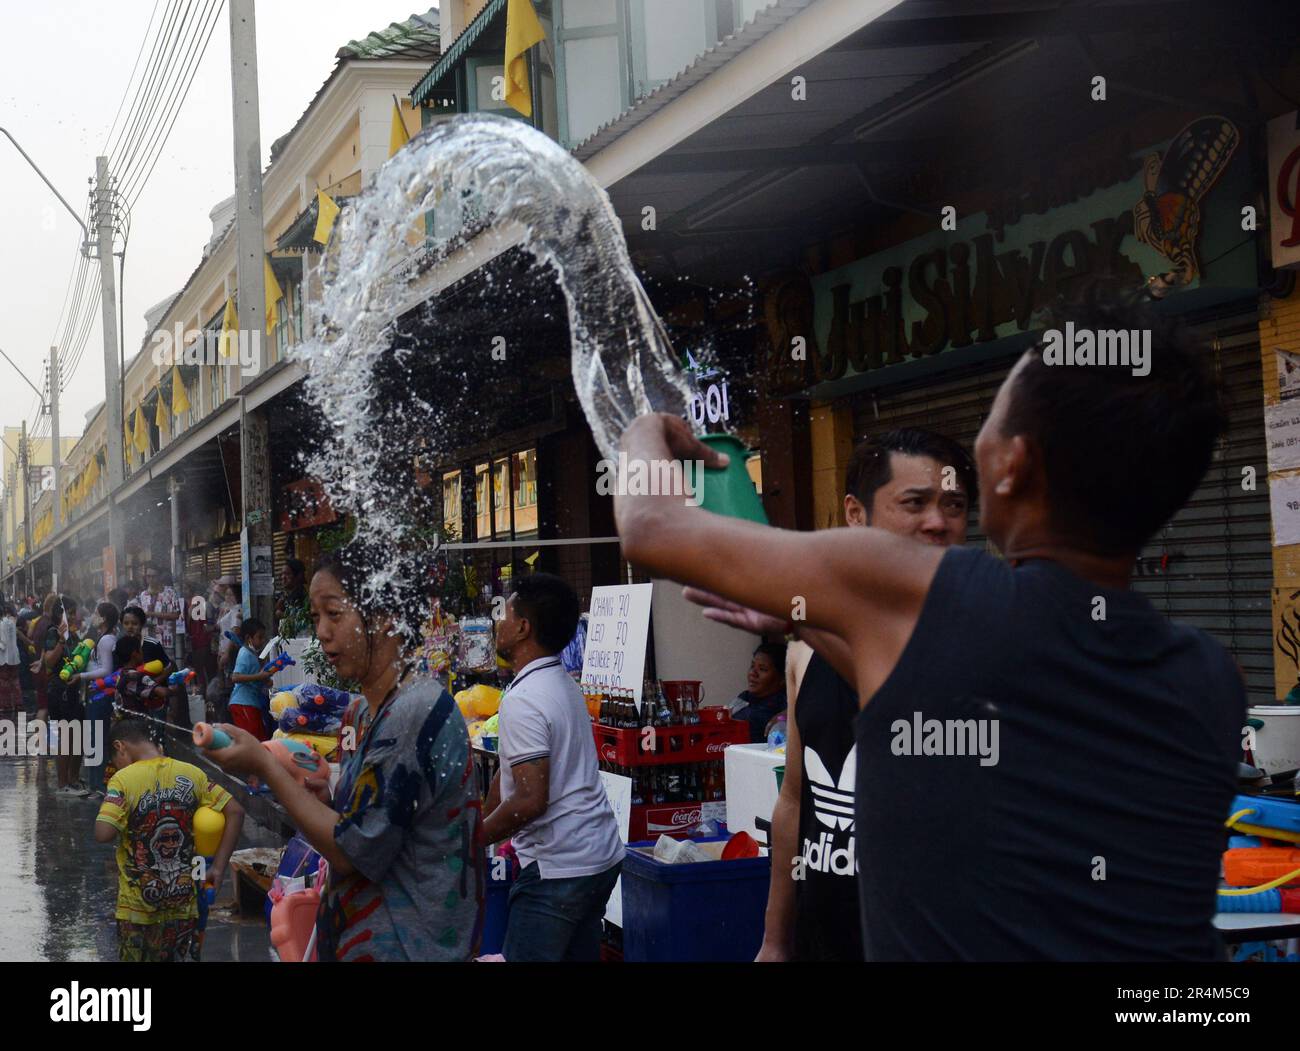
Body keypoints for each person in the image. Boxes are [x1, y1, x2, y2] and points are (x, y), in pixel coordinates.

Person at [615, 287, 1243, 961]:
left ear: (1014, 465)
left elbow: (651, 528)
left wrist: (646, 431)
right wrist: (814, 624)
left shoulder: (920, 591)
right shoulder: (1209, 677)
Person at [696, 427, 976, 961]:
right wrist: (775, 941)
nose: (938, 522)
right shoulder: (806, 651)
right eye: (914, 503)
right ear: (855, 514)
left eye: (955, 505)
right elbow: (795, 801)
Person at [205, 543, 484, 961]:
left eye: (334, 614)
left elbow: (352, 850)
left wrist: (265, 763)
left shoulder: (414, 711)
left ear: (384, 617)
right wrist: (328, 798)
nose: (321, 631)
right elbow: (379, 819)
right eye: (317, 616)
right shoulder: (364, 710)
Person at [482, 573, 624, 962]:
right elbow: (509, 770)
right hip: (598, 857)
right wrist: (481, 815)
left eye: (504, 614)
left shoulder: (525, 698)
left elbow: (530, 800)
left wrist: (472, 839)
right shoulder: (559, 683)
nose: (499, 622)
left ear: (523, 627)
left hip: (559, 869)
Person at [93, 719, 244, 962]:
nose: (116, 766)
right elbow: (235, 811)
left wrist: (115, 800)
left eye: (115, 760)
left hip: (136, 910)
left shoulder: (123, 780)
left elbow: (103, 834)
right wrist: (218, 867)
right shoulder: (193, 773)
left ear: (120, 746)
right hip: (184, 906)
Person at [78, 602, 121, 800]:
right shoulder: (104, 638)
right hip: (97, 693)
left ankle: (99, 787)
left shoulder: (106, 640)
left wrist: (82, 677)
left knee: (98, 741)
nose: (93, 616)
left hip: (101, 695)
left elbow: (106, 670)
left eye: (96, 613)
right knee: (95, 740)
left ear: (103, 619)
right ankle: (94, 784)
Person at [728, 642, 787, 743]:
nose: (753, 673)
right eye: (752, 666)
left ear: (782, 678)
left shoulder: (784, 707)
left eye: (762, 669)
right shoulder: (744, 697)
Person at [227, 619, 273, 741]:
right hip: (243, 703)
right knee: (251, 741)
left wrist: (265, 679)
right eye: (260, 637)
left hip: (251, 703)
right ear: (249, 638)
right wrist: (260, 676)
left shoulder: (253, 655)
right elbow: (235, 677)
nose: (263, 641)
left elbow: (256, 678)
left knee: (260, 740)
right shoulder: (245, 654)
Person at [137, 567, 182, 667]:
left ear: (159, 577)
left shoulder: (170, 592)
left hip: (166, 638)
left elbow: (176, 614)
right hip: (147, 637)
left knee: (168, 667)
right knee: (150, 667)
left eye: (154, 576)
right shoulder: (143, 595)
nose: (151, 579)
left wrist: (152, 614)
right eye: (148, 576)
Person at [0, 602, 21, 715]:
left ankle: (6, 705)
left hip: (4, 658)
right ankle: (18, 703)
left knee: (4, 682)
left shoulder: (1, 624)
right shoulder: (12, 622)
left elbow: (3, 644)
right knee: (15, 681)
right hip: (14, 657)